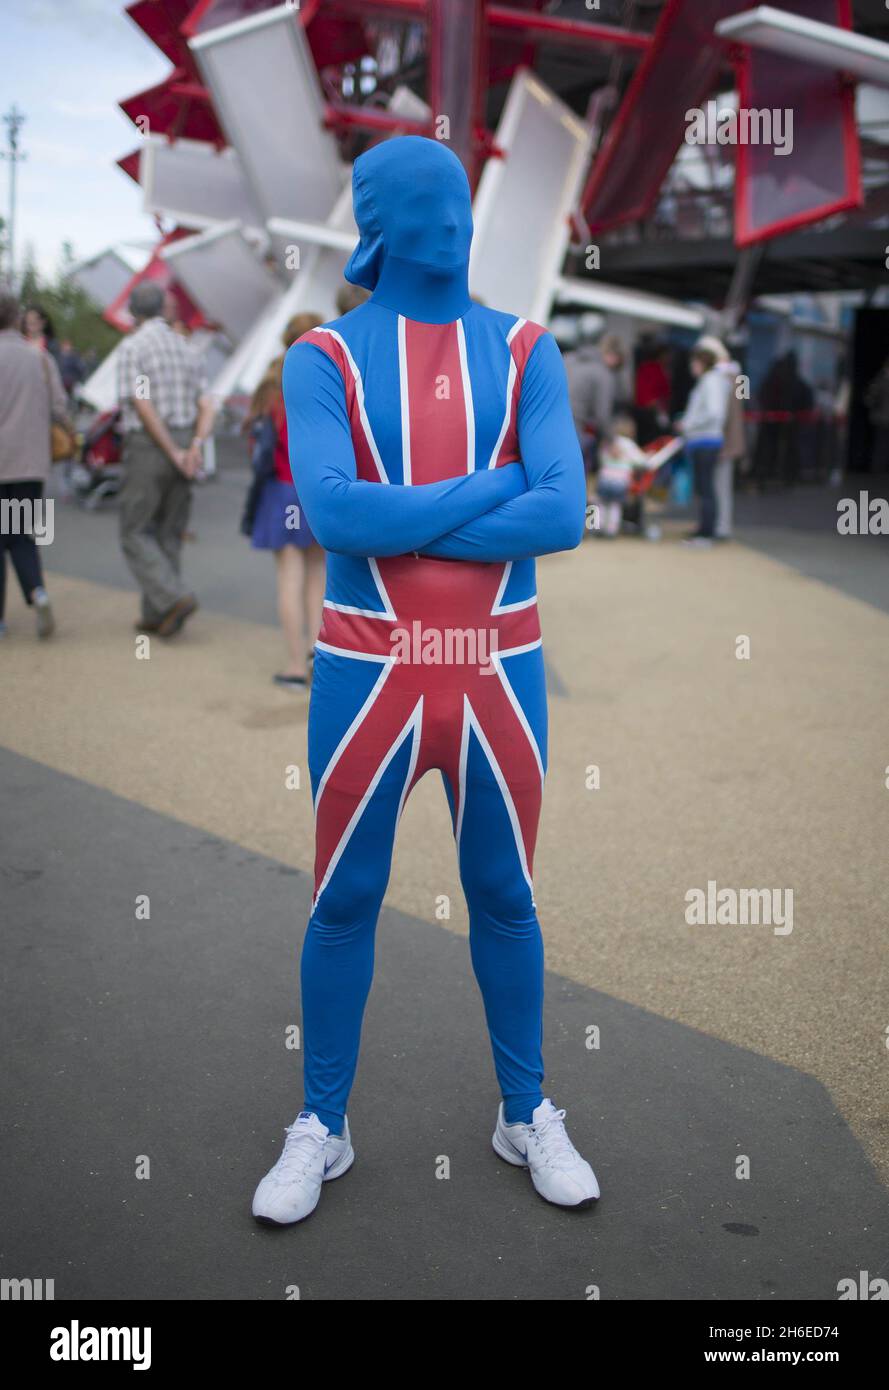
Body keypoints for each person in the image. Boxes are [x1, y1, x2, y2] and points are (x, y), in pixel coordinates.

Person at [252, 135, 597, 1225]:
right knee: (343, 895)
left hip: (498, 673)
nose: (449, 214)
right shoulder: (325, 359)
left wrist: (422, 510)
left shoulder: (528, 348)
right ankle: (322, 1124)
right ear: (379, 224)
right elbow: (337, 511)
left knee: (504, 894)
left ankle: (525, 1107)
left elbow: (564, 514)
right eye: (423, 199)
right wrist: (495, 482)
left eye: (455, 196)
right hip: (369, 673)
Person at [116, 283, 215, 637]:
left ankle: (172, 598)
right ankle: (158, 613)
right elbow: (207, 403)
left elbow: (142, 404)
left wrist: (170, 449)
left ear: (133, 311)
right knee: (169, 530)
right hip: (187, 436)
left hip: (149, 445)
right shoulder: (186, 347)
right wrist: (195, 446)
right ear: (162, 309)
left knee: (134, 528)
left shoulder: (133, 347)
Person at [242, 313, 327, 689]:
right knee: (318, 578)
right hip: (315, 493)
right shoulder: (322, 383)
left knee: (289, 580)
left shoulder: (271, 387)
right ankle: (316, 655)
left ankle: (294, 666)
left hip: (281, 493)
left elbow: (254, 442)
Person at [0, 288, 69, 638]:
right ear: (16, 318)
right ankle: (37, 592)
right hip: (29, 462)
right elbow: (60, 406)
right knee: (21, 534)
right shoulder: (39, 359)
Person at [678, 346, 731, 547]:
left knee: (705, 487)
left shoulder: (710, 382)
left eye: (694, 362)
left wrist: (689, 424)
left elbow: (714, 412)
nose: (692, 366)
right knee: (705, 487)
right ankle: (704, 528)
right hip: (705, 440)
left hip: (705, 441)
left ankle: (707, 532)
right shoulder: (713, 382)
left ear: (702, 363)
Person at [696, 335, 746, 542]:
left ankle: (721, 527)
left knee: (719, 487)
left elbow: (722, 415)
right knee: (718, 487)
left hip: (721, 441)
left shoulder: (722, 378)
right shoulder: (734, 376)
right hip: (725, 440)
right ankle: (719, 525)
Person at [563, 331, 624, 474]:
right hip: (571, 426)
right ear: (614, 357)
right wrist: (611, 441)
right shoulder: (603, 373)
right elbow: (602, 414)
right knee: (566, 474)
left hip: (540, 417)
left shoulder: (568, 358)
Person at [595, 413, 646, 538]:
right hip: (620, 480)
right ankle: (611, 530)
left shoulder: (607, 443)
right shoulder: (628, 444)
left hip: (605, 478)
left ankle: (597, 527)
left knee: (601, 503)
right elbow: (640, 460)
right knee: (615, 505)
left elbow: (601, 458)